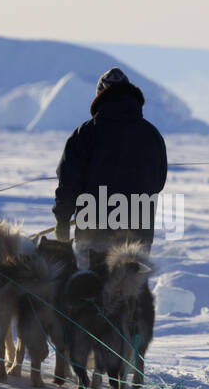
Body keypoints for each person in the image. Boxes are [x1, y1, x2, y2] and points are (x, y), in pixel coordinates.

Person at [52, 67, 168, 269]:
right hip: (138, 236)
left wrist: (62, 221)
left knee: (93, 296)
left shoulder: (85, 134)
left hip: (94, 235)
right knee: (130, 296)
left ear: (100, 95)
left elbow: (69, 183)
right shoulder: (151, 135)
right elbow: (158, 183)